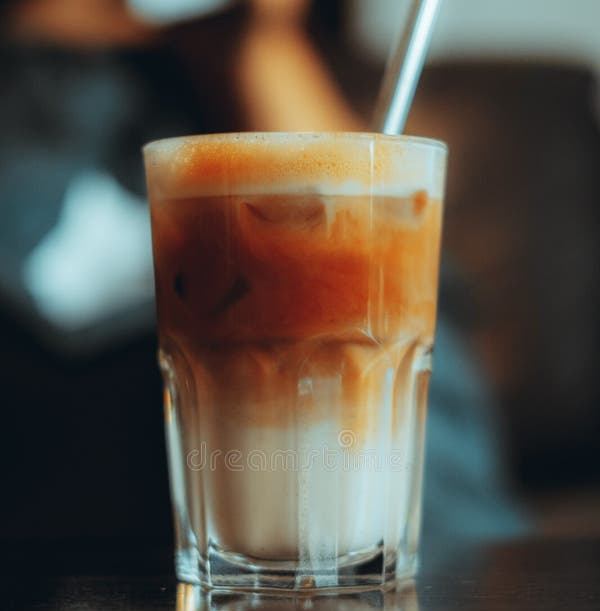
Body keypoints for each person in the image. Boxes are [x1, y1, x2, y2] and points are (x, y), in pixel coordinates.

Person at [0, 0, 526, 554]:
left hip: (388, 553)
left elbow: (384, 277)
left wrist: (257, 38)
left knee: (371, 325)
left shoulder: (261, 54)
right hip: (77, 441)